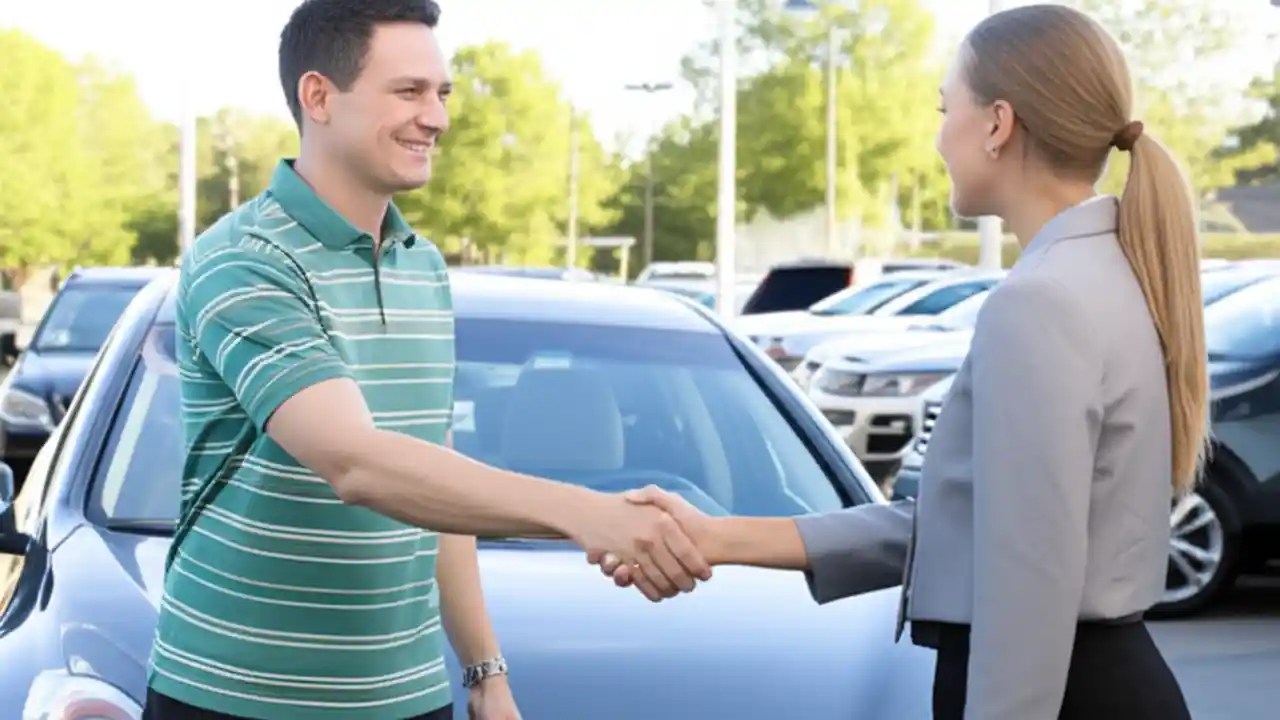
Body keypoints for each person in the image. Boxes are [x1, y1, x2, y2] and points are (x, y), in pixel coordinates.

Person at [596, 5, 1202, 719]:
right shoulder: (1109, 274)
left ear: (998, 125)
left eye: (948, 109)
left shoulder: (1040, 302)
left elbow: (1029, 581)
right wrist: (718, 536)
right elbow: (975, 525)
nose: (940, 137)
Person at [143, 2, 709, 719]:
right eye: (408, 92)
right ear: (318, 97)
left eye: (441, 94)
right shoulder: (246, 260)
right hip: (239, 696)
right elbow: (358, 463)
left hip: (409, 698)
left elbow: (436, 483)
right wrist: (583, 514)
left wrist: (484, 670)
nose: (436, 117)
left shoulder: (424, 267)